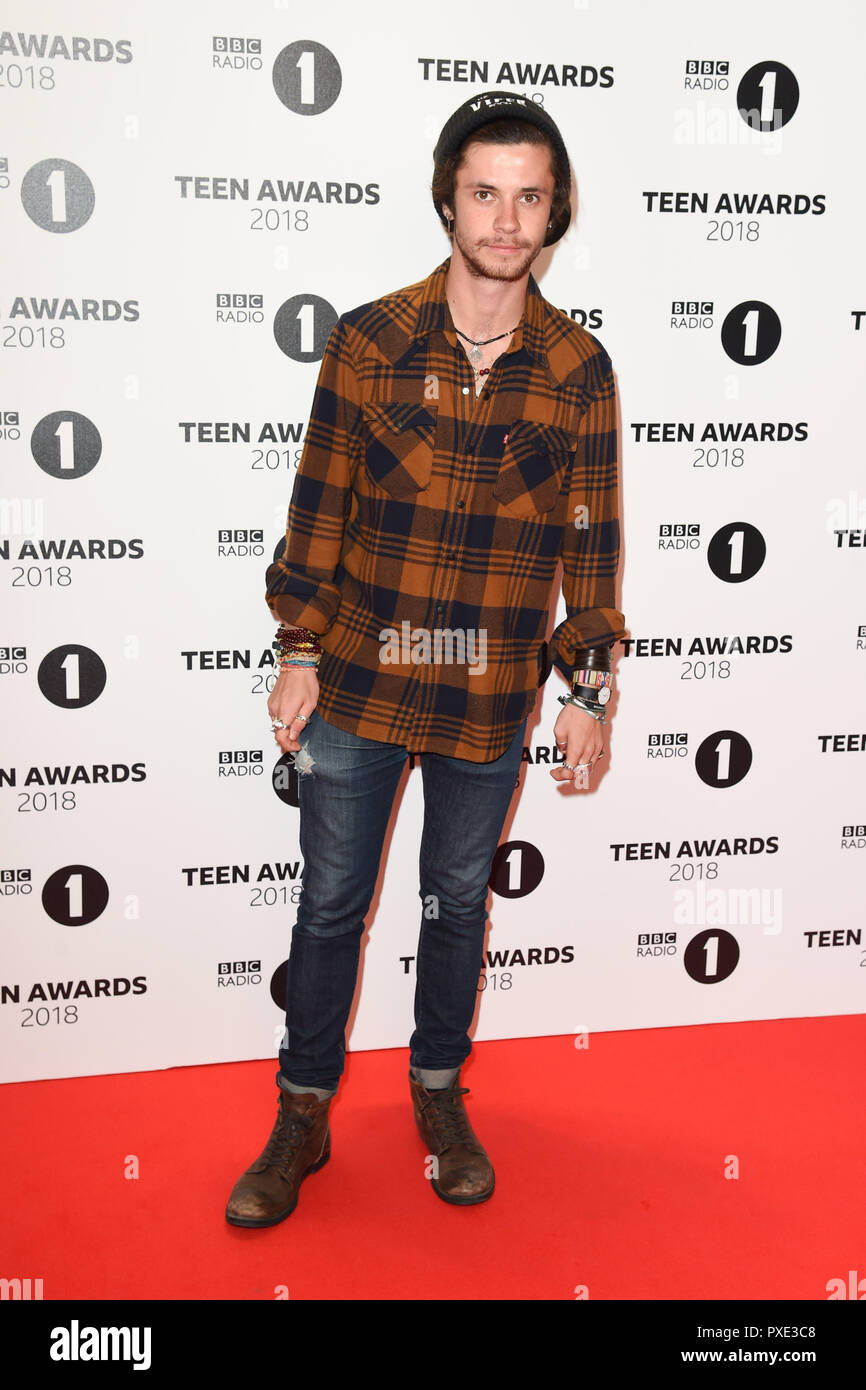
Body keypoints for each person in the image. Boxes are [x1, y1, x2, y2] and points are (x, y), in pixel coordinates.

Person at [225, 90, 626, 1227]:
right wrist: (297, 643)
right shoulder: (366, 340)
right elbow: (316, 507)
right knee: (328, 907)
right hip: (358, 673)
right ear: (447, 198)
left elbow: (587, 540)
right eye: (484, 191)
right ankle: (302, 1109)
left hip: (490, 688)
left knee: (456, 902)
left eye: (529, 196)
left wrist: (587, 686)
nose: (506, 218)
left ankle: (438, 1094)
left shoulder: (578, 370)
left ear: (555, 212)